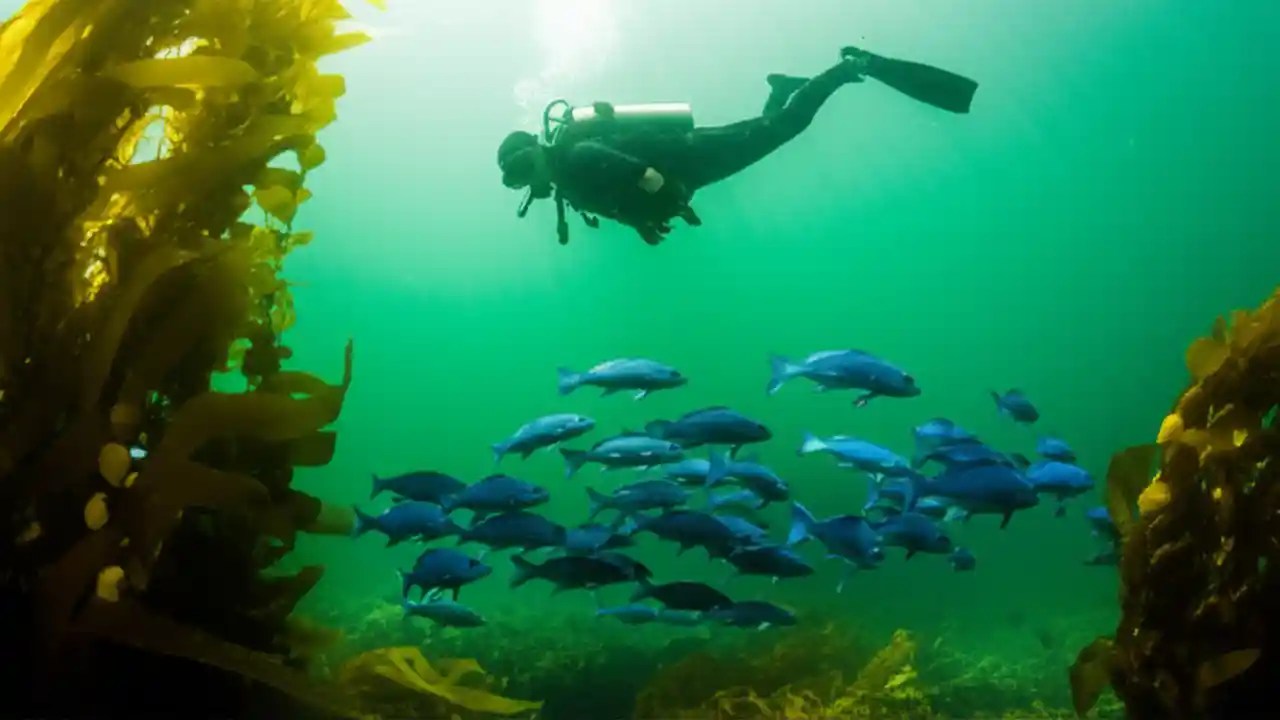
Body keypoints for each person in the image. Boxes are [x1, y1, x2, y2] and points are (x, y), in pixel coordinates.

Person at [496, 46, 979, 247]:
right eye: (515, 177)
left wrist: (665, 203)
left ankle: (849, 65)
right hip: (696, 165)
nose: (523, 180)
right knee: (770, 129)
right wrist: (647, 220)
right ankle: (782, 83)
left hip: (691, 155)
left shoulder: (577, 158)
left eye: (521, 167)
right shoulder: (568, 185)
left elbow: (644, 173)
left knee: (784, 129)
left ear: (536, 149)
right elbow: (631, 193)